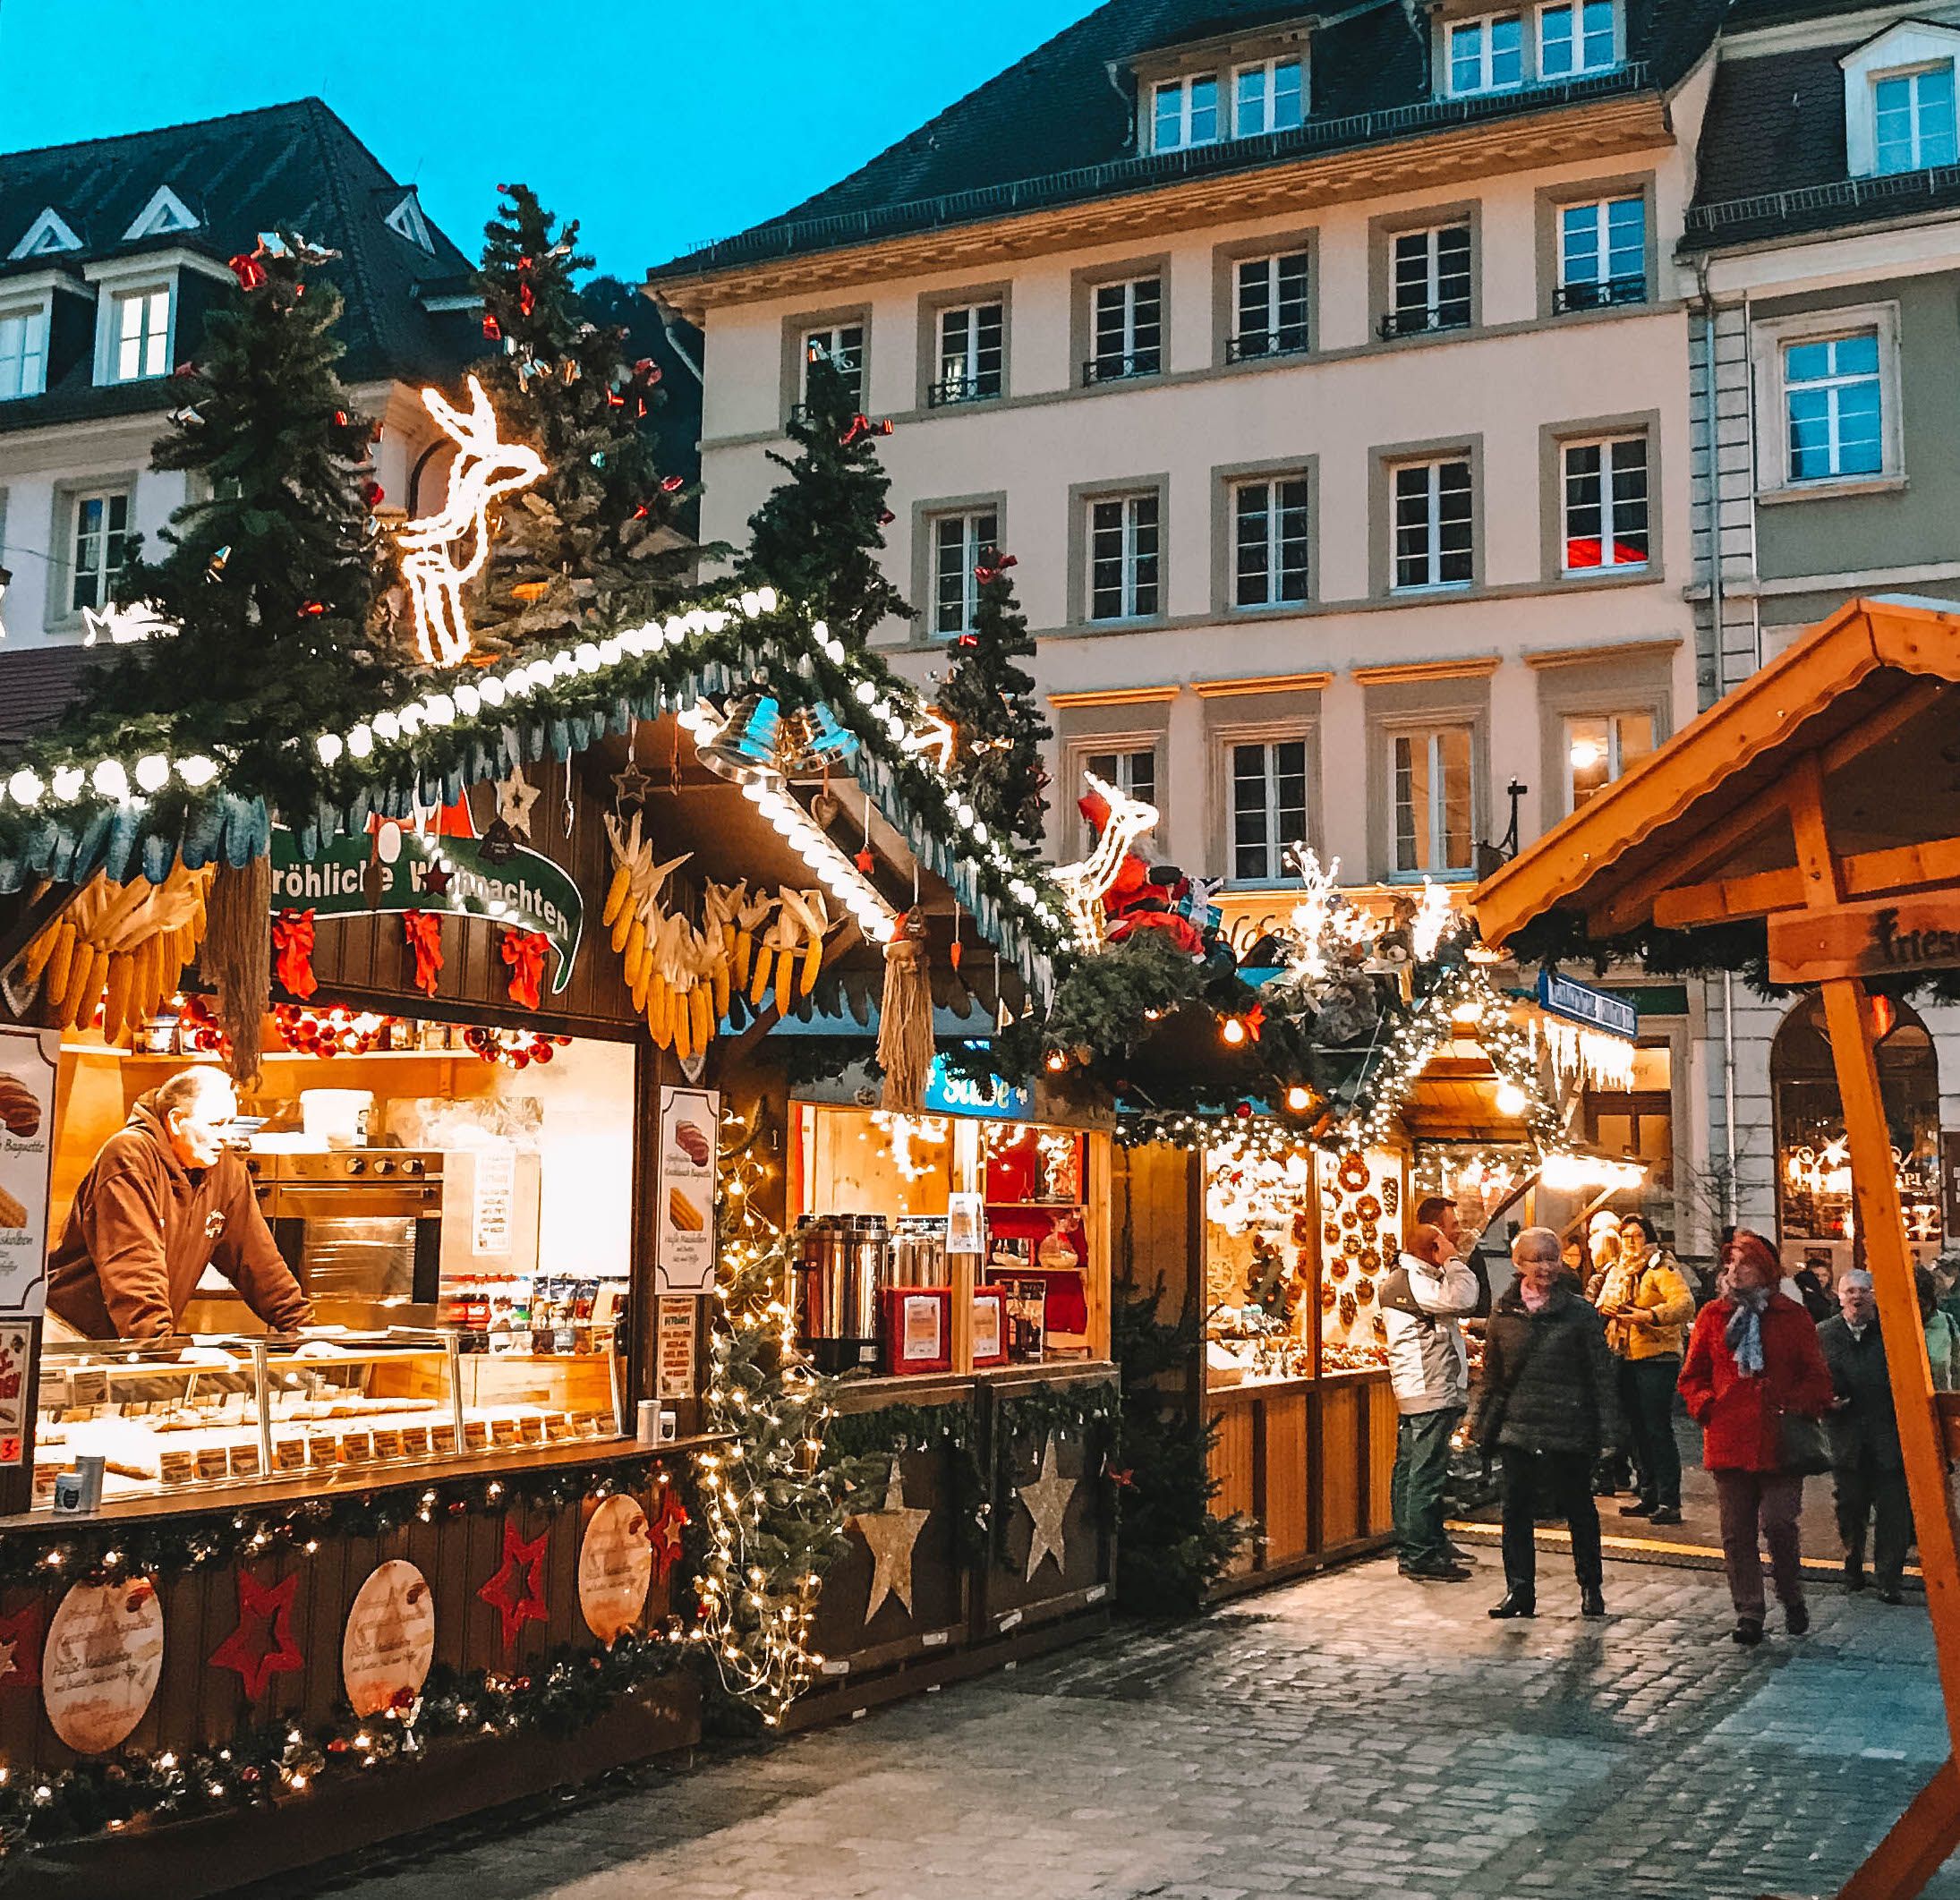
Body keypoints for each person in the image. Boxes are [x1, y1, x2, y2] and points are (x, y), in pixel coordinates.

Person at [47, 1067, 312, 1341]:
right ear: (175, 1121)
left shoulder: (227, 1173)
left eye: (230, 1123)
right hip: (72, 1336)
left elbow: (259, 1262)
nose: (226, 1136)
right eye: (215, 1125)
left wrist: (303, 1330)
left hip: (137, 1338)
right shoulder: (129, 1157)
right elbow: (134, 1263)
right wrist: (158, 1343)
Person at [1678, 1230, 1834, 1644]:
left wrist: (1789, 1403)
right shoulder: (1713, 1315)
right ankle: (1749, 1610)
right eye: (1728, 1265)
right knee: (1736, 1532)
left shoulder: (1792, 1317)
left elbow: (1818, 1378)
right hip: (1729, 1437)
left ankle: (1791, 1594)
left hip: (1780, 1439)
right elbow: (1692, 1376)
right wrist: (1709, 1406)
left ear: (1764, 1270)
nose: (1733, 1272)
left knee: (1780, 1524)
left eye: (1742, 1264)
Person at [1468, 1226, 1619, 1621]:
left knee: (1578, 1509)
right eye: (1536, 1259)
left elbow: (1600, 1374)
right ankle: (1520, 1590)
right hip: (1518, 1427)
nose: (1545, 1267)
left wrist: (1608, 1433)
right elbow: (1494, 1375)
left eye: (1551, 1258)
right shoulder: (1505, 1311)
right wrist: (1479, 1424)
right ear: (1519, 1264)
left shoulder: (1580, 1312)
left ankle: (1591, 1586)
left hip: (1568, 1426)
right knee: (1515, 1511)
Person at [1382, 1223, 1480, 1581]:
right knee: (1424, 1474)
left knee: (1411, 1471)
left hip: (1423, 1388)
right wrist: (1454, 1262)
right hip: (1429, 1390)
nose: (1453, 1243)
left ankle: (1419, 1545)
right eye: (1446, 1239)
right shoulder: (1412, 1279)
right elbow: (1464, 1298)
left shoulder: (1411, 1278)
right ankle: (1420, 1553)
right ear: (1432, 1247)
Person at [1819, 1269, 1913, 1603]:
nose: (1857, 1297)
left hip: (1888, 1436)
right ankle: (1853, 1569)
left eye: (1864, 1291)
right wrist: (1824, 1401)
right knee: (1850, 1508)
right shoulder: (1824, 1335)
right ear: (1840, 1297)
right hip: (1845, 1438)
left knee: (1893, 1511)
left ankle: (1889, 1578)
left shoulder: (1892, 1333)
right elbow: (1813, 1381)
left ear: (1874, 1295)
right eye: (1850, 1292)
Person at [1599, 1214, 1694, 1526]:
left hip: (1656, 1357)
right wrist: (1609, 1309)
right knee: (1637, 1430)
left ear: (1649, 1237)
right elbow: (1603, 1301)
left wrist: (1648, 1315)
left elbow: (1683, 1305)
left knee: (1657, 1429)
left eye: (1637, 1236)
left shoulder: (1661, 1267)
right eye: (1625, 1236)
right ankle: (1649, 1493)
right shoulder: (1618, 1270)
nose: (1630, 1242)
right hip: (1626, 1355)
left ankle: (1669, 1499)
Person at [1919, 1265, 1960, 1396]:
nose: (1919, 1311)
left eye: (1922, 1304)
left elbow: (1957, 1364)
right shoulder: (1894, 1326)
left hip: (1941, 1404)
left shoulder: (1946, 1322)